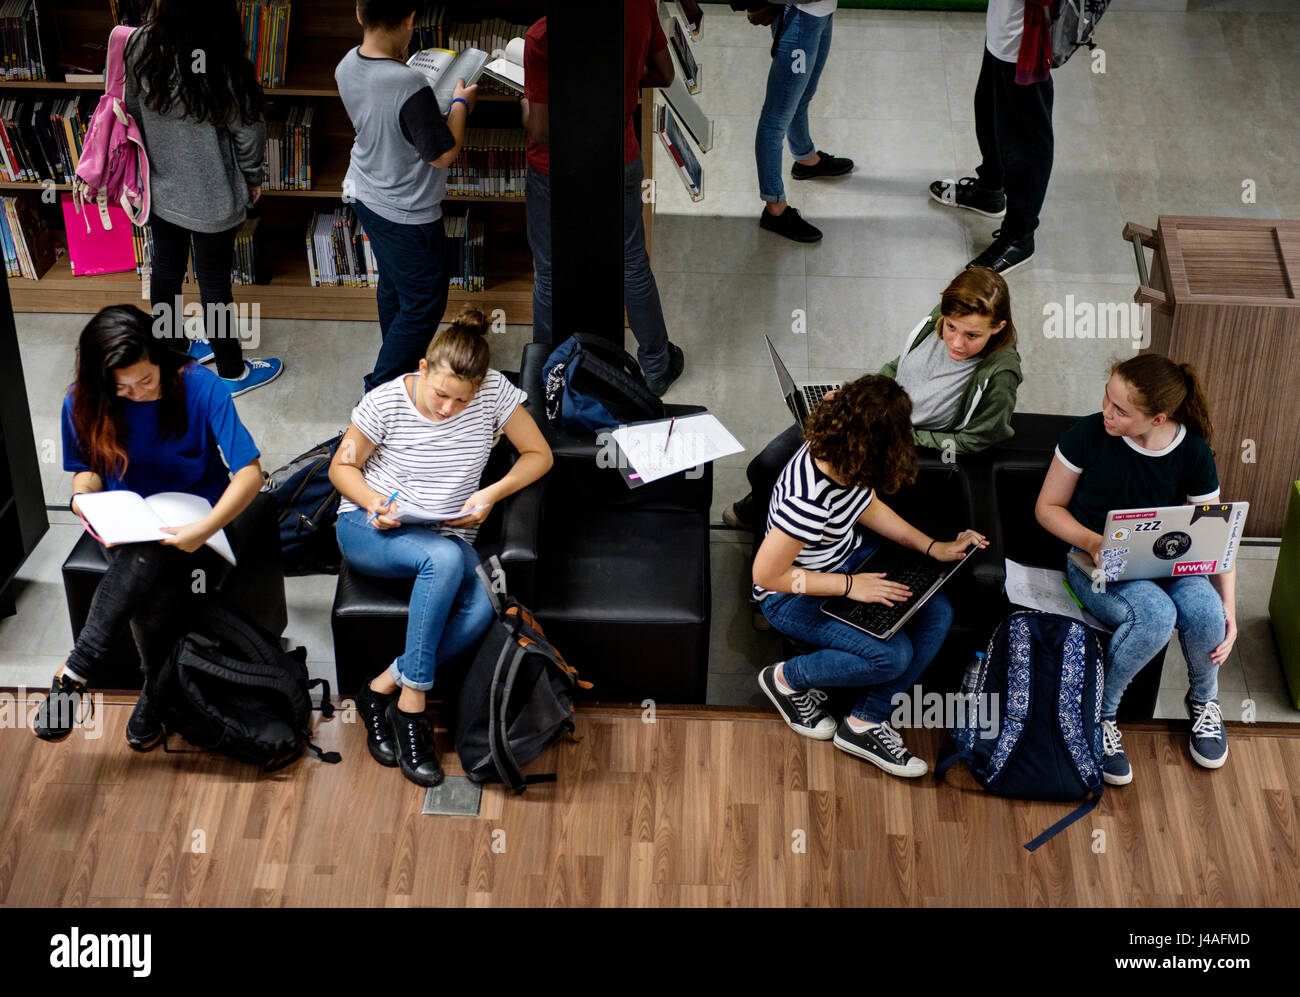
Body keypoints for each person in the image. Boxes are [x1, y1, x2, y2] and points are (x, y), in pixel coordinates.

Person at [330, 307, 553, 788]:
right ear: (423, 368)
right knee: (446, 557)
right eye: (440, 395)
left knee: (482, 606)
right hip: (371, 530)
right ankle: (412, 708)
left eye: (461, 400)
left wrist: (491, 495)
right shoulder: (385, 401)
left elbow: (540, 455)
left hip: (446, 533)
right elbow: (341, 469)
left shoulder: (493, 393)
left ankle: (379, 688)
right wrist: (373, 502)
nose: (448, 408)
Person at [35, 306, 264, 746]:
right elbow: (85, 473)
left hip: (200, 515)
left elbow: (250, 473)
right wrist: (82, 499)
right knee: (148, 564)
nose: (136, 393)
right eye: (122, 388)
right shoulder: (80, 399)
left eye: (146, 381)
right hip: (129, 519)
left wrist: (204, 528)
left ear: (161, 359)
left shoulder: (199, 384)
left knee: (149, 560)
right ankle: (156, 695)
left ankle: (77, 672)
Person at [752, 375, 986, 777]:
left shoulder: (845, 455)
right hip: (792, 595)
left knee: (937, 612)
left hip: (845, 561)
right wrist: (851, 586)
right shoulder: (807, 500)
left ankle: (864, 721)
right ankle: (786, 680)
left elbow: (868, 506)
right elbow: (769, 575)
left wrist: (932, 546)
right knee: (891, 656)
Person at [1035, 355, 1234, 786]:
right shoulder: (1087, 435)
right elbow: (1046, 507)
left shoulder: (1193, 450)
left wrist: (1229, 611)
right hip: (1097, 562)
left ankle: (1204, 702)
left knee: (1206, 613)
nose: (1107, 411)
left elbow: (1217, 536)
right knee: (1156, 616)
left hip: (1169, 560)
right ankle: (1101, 714)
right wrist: (1091, 541)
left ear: (1157, 418)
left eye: (1121, 410)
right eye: (1108, 398)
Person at [725, 268, 1021, 545]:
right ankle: (765, 505)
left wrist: (905, 435)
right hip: (877, 411)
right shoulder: (939, 320)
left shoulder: (1000, 374)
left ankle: (773, 528)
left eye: (972, 335)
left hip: (898, 442)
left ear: (998, 327)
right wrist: (856, 396)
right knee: (764, 465)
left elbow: (981, 438)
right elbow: (898, 366)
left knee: (783, 466)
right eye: (952, 327)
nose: (955, 342)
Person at [521, 0, 685, 397]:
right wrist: (619, 85)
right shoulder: (639, 5)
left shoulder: (541, 35)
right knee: (631, 260)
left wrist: (525, 103)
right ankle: (656, 364)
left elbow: (540, 130)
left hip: (555, 168)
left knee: (549, 271)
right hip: (617, 156)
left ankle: (547, 374)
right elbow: (664, 72)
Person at [124, 0, 283, 395]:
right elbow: (248, 131)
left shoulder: (139, 43)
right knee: (214, 284)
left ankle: (171, 351)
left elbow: (130, 109)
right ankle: (232, 371)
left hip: (159, 187)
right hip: (213, 194)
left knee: (165, 271)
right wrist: (251, 176)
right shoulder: (221, 58)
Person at [336, 0, 478, 394]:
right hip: (407, 212)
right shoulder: (408, 85)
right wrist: (462, 105)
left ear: (359, 14)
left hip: (365, 193)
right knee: (424, 304)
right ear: (411, 20)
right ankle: (380, 391)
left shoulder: (346, 64)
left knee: (394, 285)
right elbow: (443, 154)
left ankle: (396, 371)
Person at [927, 0, 1054, 275]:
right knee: (989, 105)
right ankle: (990, 190)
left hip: (1027, 29)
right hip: (1006, 20)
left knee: (1026, 134)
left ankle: (1019, 237)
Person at [743, 0, 853, 244]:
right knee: (776, 117)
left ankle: (806, 159)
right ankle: (775, 207)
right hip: (800, 17)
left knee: (803, 94)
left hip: (821, 11)